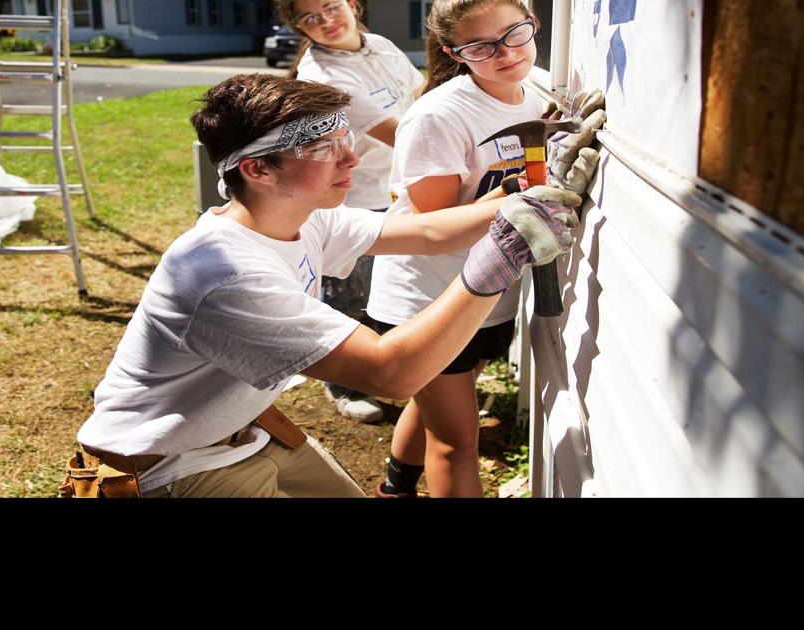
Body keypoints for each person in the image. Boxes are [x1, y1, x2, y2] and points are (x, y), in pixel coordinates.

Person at [73, 74, 583, 498]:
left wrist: (533, 188)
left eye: (346, 142)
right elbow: (390, 374)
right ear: (257, 169)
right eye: (324, 148)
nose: (352, 160)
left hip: (243, 436)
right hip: (166, 467)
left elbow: (427, 232)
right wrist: (493, 266)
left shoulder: (302, 218)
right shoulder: (224, 272)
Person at [365, 0, 600, 498]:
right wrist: (522, 190)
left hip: (484, 293)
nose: (506, 52)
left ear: (533, 23)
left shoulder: (533, 99)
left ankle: (394, 487)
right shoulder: (438, 116)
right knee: (456, 444)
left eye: (515, 33)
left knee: (445, 396)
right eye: (480, 46)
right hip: (427, 298)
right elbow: (436, 222)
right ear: (453, 54)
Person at [279, 0, 427, 424]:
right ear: (300, 28)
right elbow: (398, 133)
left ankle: (383, 367)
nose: (326, 20)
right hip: (354, 195)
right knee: (350, 293)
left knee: (390, 287)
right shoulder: (321, 74)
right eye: (310, 17)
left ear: (351, 3)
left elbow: (419, 97)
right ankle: (343, 384)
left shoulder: (380, 44)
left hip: (397, 188)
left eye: (332, 6)